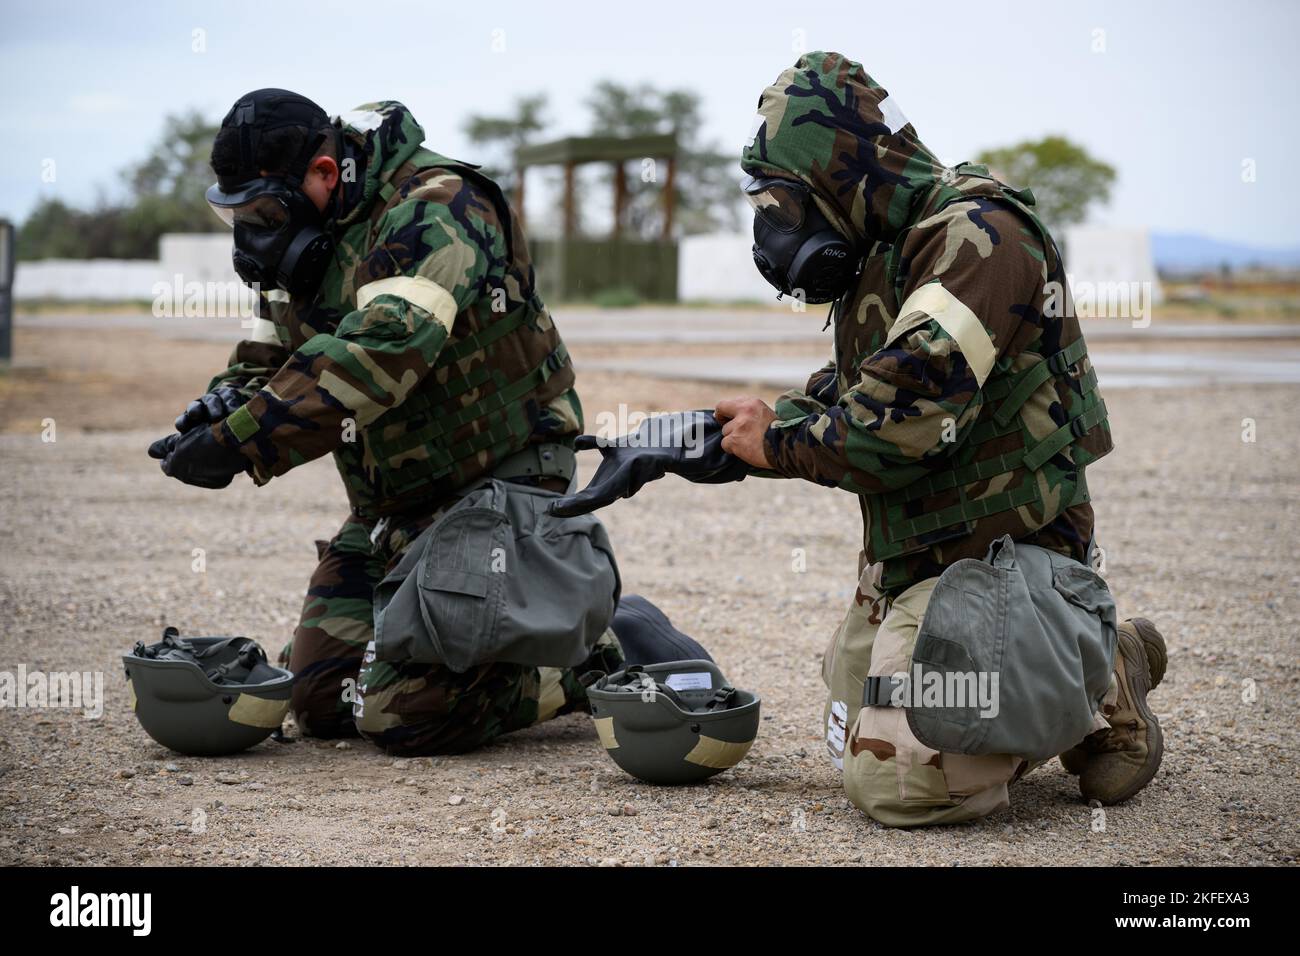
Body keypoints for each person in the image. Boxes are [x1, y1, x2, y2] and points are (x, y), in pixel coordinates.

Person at [147, 89, 705, 756]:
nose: (252, 232)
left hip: (497, 488)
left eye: (264, 211)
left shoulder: (435, 206)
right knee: (323, 702)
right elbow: (265, 361)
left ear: (325, 173)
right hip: (392, 509)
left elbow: (384, 351)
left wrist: (244, 441)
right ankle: (457, 630)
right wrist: (219, 409)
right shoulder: (304, 248)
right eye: (235, 214)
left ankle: (599, 649)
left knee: (403, 715)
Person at [710, 52, 1166, 826]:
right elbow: (859, 392)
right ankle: (1046, 680)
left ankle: (1097, 669)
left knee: (896, 782)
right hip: (916, 563)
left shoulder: (979, 238)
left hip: (1007, 561)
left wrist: (774, 447)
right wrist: (719, 439)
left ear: (836, 177)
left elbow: (900, 423)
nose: (777, 231)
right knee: (849, 723)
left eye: (785, 206)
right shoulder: (883, 246)